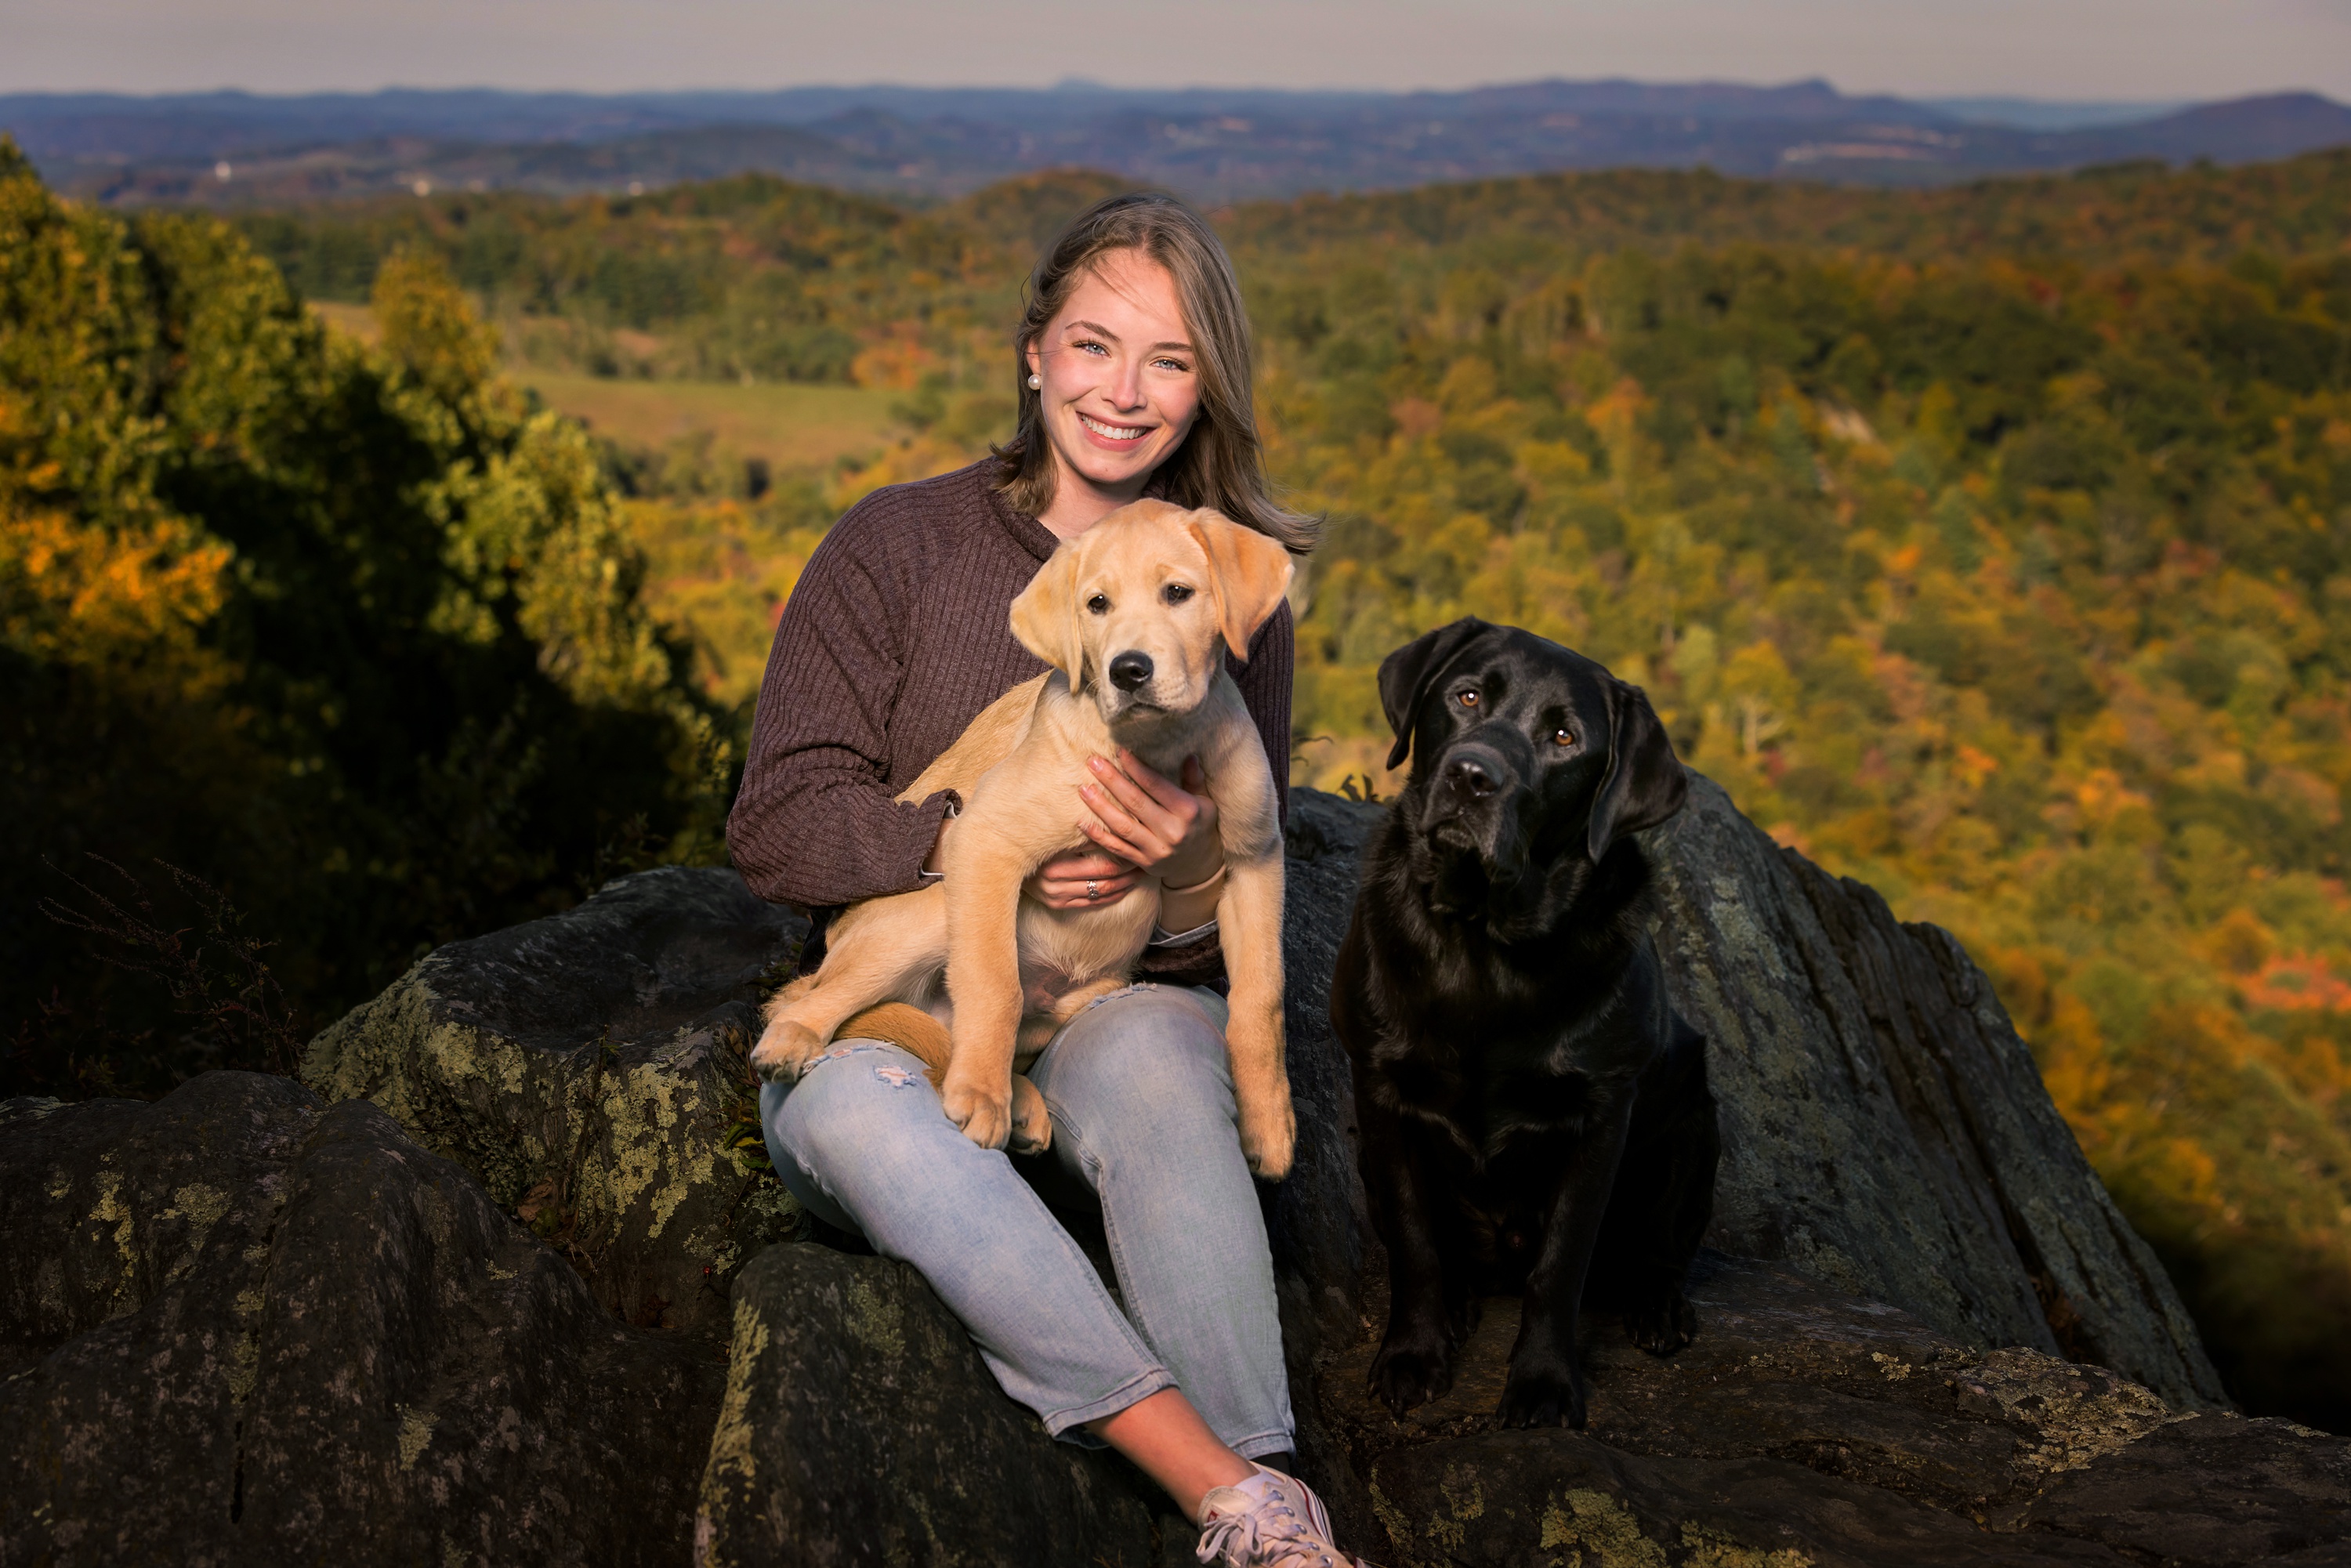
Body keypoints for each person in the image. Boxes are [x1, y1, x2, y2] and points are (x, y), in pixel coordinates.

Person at [728, 193, 1367, 1568]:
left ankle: (1271, 1494)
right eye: (1092, 345)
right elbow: (776, 822)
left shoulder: (1222, 582)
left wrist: (1177, 863)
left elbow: (1210, 923)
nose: (1124, 393)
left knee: (1148, 1047)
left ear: (1208, 392)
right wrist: (974, 835)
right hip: (916, 1022)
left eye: (1170, 360)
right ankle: (1229, 1488)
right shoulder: (894, 548)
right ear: (1034, 353)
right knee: (856, 1099)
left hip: (1091, 1011)